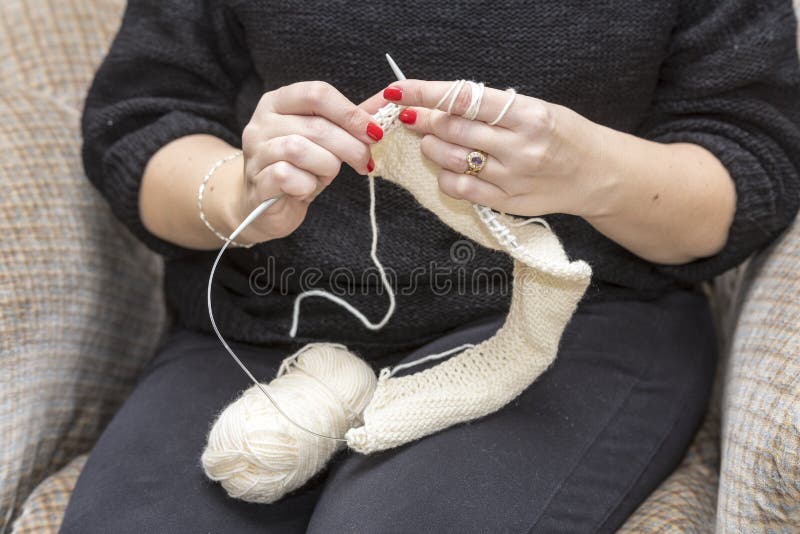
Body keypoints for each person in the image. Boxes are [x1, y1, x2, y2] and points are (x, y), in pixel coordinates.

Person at [60, 0, 800, 532]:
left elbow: (753, 160)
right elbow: (142, 121)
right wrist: (240, 192)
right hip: (270, 318)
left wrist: (595, 173)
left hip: (576, 328)